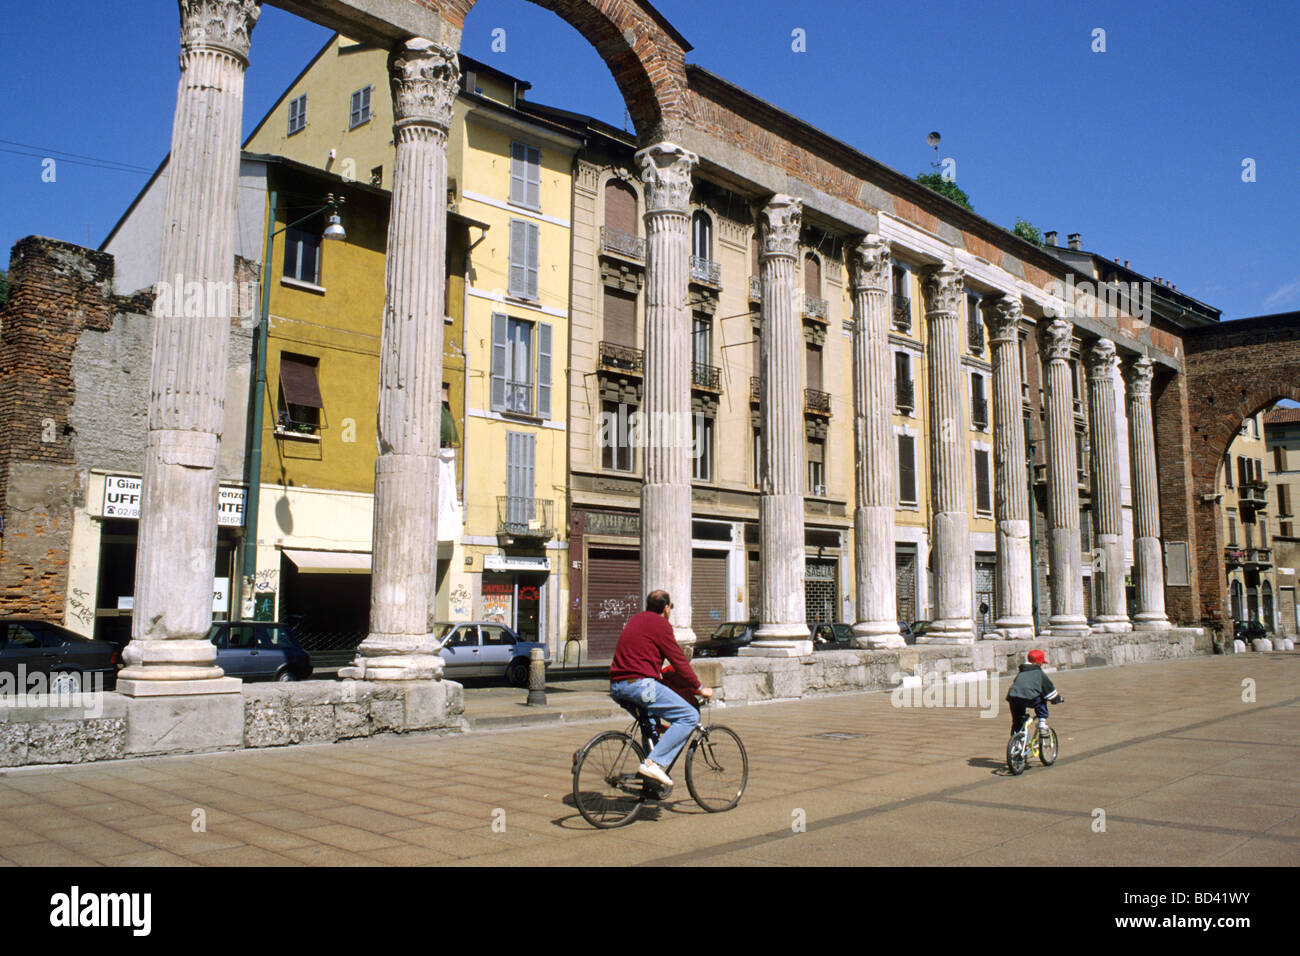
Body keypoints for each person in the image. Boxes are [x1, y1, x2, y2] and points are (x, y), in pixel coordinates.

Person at [608, 590, 713, 787]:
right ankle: (652, 763)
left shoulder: (635, 620)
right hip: (641, 685)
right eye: (670, 607)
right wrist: (698, 687)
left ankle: (651, 784)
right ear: (666, 608)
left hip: (617, 686)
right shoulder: (661, 625)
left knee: (652, 725)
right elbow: (678, 660)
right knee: (689, 716)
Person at [1005, 648, 1063, 737]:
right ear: (1039, 663)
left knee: (1017, 720)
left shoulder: (1021, 672)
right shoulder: (1039, 673)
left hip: (1013, 697)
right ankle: (1042, 725)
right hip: (1029, 698)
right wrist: (1058, 699)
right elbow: (1050, 691)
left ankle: (1016, 740)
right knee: (1042, 698)